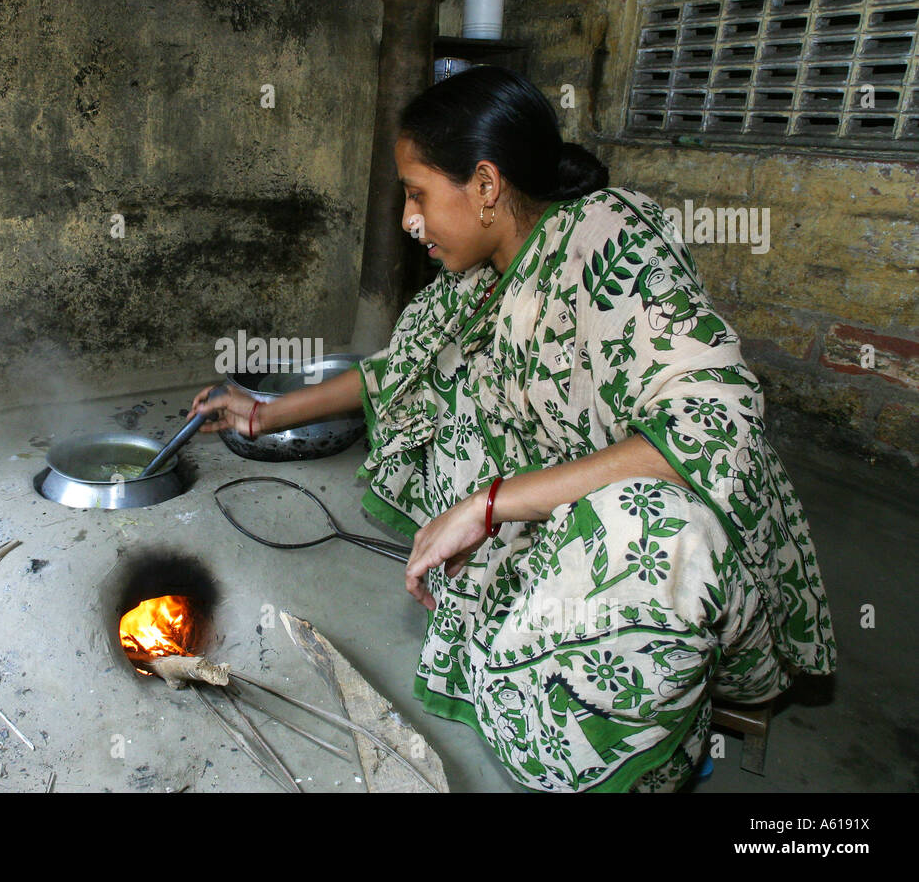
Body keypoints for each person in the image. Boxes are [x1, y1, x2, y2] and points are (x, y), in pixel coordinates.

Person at [190, 66, 836, 792]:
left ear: (487, 186)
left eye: (418, 193)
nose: (409, 219)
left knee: (651, 531)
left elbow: (714, 429)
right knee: (451, 397)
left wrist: (489, 503)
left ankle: (665, 738)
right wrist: (263, 411)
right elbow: (396, 371)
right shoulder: (473, 281)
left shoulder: (608, 247)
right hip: (559, 544)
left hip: (684, 563)